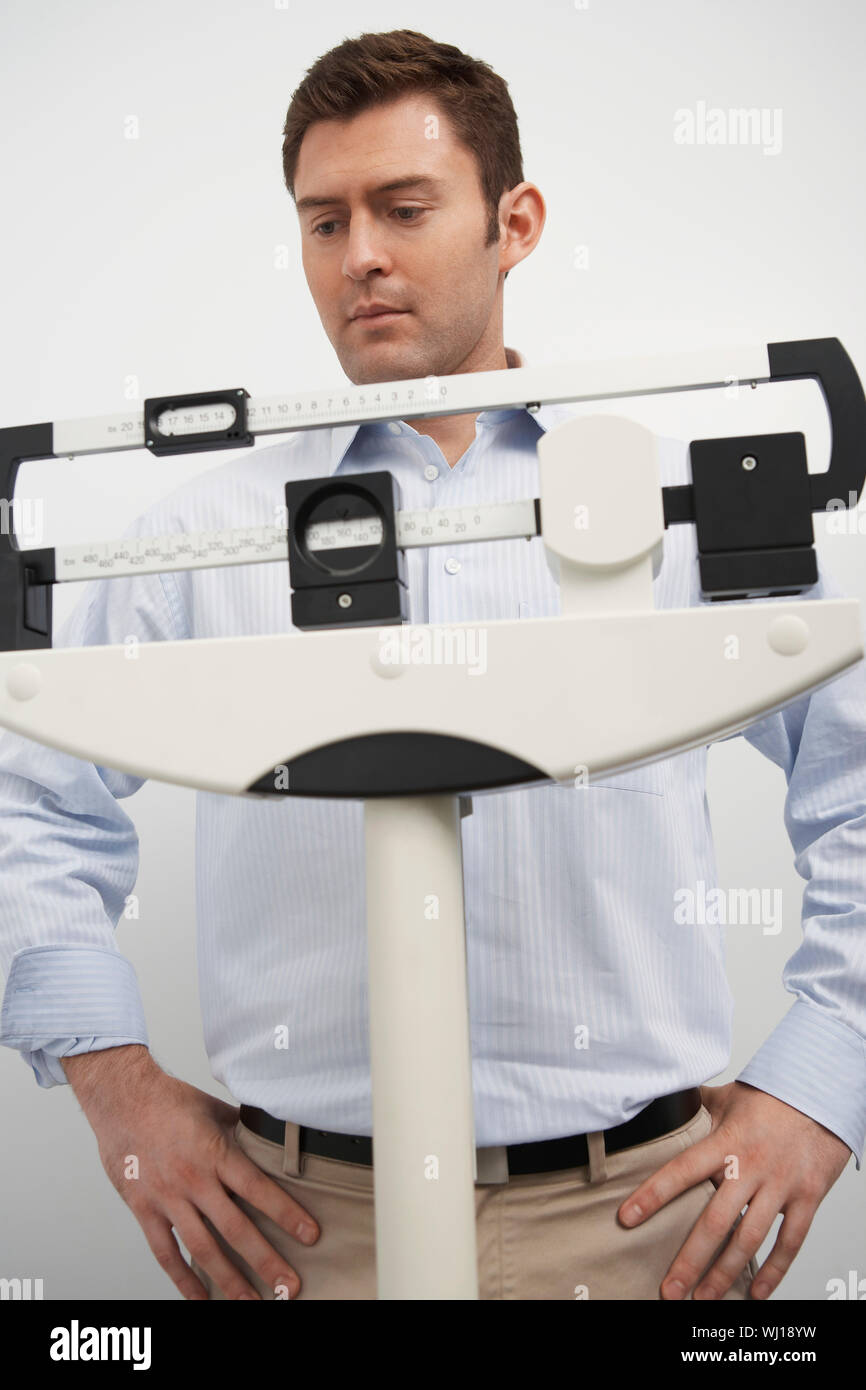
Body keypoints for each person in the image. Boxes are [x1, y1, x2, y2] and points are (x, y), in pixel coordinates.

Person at [0, 28, 862, 1302]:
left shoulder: (676, 502)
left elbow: (852, 779)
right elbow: (32, 795)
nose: (360, 257)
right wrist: (114, 1088)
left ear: (512, 221)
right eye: (322, 221)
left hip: (639, 1227)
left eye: (404, 208)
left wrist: (817, 1082)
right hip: (302, 1234)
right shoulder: (200, 531)